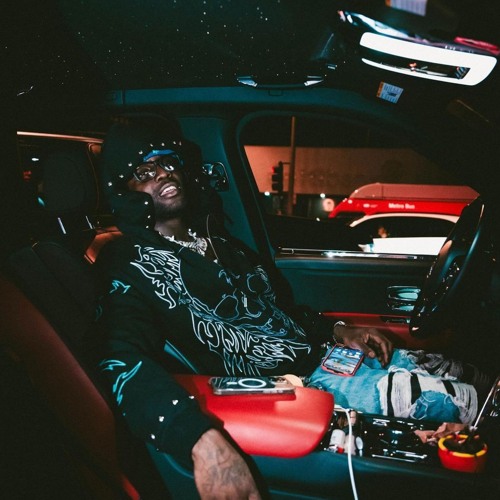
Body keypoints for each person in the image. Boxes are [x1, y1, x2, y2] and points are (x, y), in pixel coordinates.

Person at [93, 115, 484, 498]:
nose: (163, 173)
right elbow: (118, 357)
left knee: (471, 375)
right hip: (296, 390)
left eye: (168, 162)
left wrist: (339, 330)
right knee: (469, 402)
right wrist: (197, 438)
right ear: (123, 188)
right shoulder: (127, 262)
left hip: (331, 356)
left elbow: (279, 310)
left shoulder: (221, 242)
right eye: (144, 171)